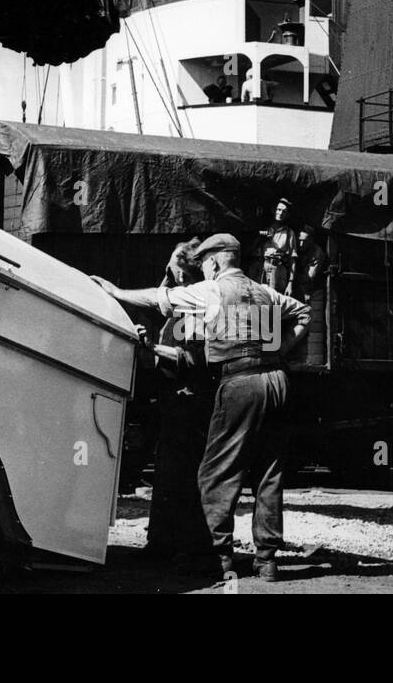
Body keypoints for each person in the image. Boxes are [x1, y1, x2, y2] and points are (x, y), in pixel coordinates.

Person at [94, 232, 309, 581]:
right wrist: (280, 348)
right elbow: (304, 313)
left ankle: (216, 557)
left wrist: (116, 292)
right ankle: (267, 560)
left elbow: (159, 299)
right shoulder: (265, 292)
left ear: (213, 262)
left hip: (240, 382)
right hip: (276, 380)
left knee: (216, 474)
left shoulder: (214, 290)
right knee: (269, 472)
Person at [140, 238, 214, 564]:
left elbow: (189, 357)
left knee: (181, 473)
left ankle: (186, 546)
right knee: (171, 472)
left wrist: (152, 349)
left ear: (182, 271)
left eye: (172, 262)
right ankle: (166, 543)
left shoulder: (190, 309)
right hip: (175, 398)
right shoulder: (180, 304)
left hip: (187, 399)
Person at [259, 197, 298, 294]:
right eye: (279, 209)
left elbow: (292, 259)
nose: (280, 213)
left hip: (278, 269)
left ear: (287, 215)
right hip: (261, 267)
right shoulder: (264, 229)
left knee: (275, 302)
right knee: (259, 300)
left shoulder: (289, 233)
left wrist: (290, 283)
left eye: (284, 211)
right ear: (273, 210)